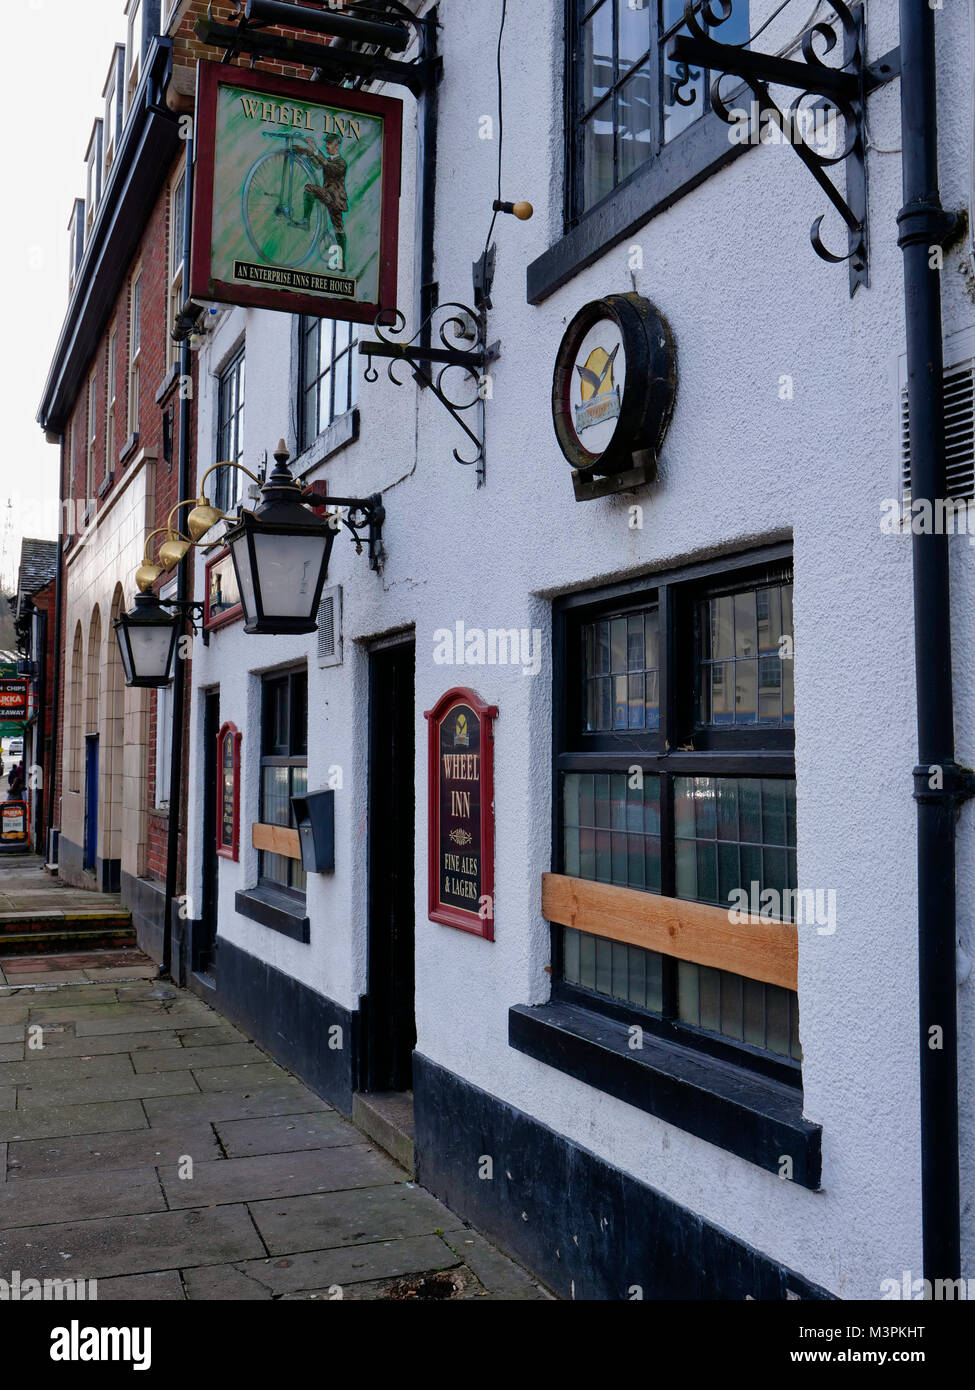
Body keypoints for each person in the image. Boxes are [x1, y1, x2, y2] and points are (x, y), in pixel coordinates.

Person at [298, 132, 349, 269]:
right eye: (326, 143)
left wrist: (314, 149)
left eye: (329, 144)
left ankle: (341, 262)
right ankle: (340, 262)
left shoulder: (341, 164)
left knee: (339, 229)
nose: (326, 146)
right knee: (339, 229)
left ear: (337, 146)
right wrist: (308, 153)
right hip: (328, 197)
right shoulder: (329, 160)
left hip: (335, 199)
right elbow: (319, 165)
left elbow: (326, 166)